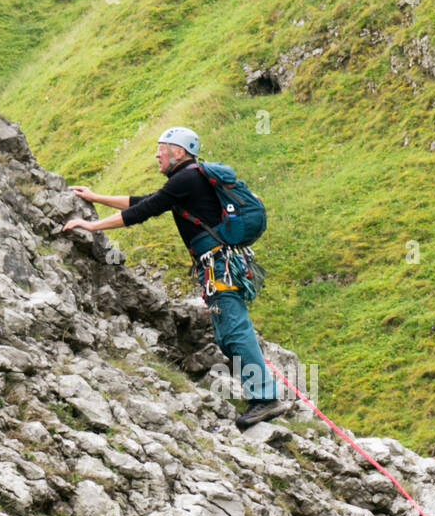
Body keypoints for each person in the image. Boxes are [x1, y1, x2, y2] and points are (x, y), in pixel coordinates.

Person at [63, 127, 284, 430]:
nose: (156, 154)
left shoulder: (187, 178)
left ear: (178, 152)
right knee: (225, 336)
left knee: (234, 332)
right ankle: (259, 396)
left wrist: (92, 226)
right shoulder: (187, 182)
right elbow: (145, 201)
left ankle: (266, 398)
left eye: (161, 149)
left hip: (218, 266)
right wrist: (95, 197)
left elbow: (143, 211)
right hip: (217, 266)